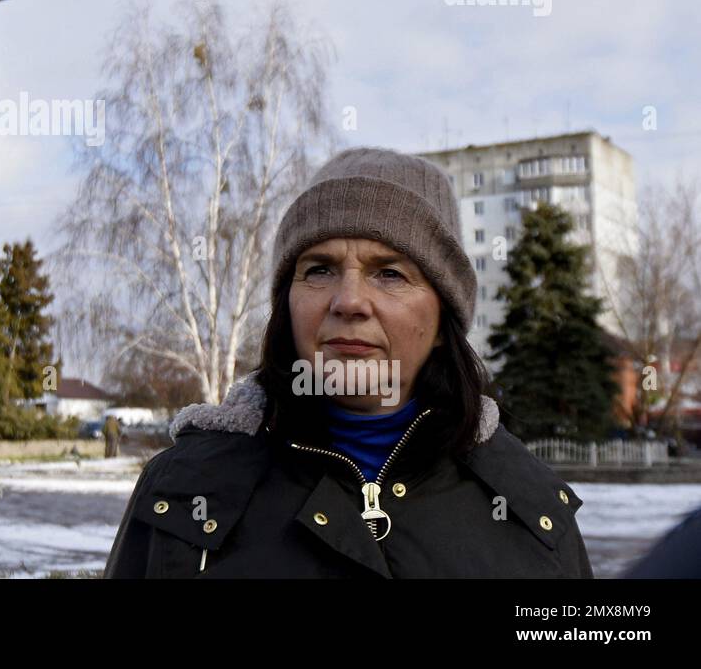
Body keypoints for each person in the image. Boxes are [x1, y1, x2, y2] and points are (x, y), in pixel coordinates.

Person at [105, 146, 594, 578]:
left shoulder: (532, 511)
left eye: (389, 273)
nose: (349, 301)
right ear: (287, 304)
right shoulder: (186, 491)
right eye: (319, 269)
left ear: (444, 313)